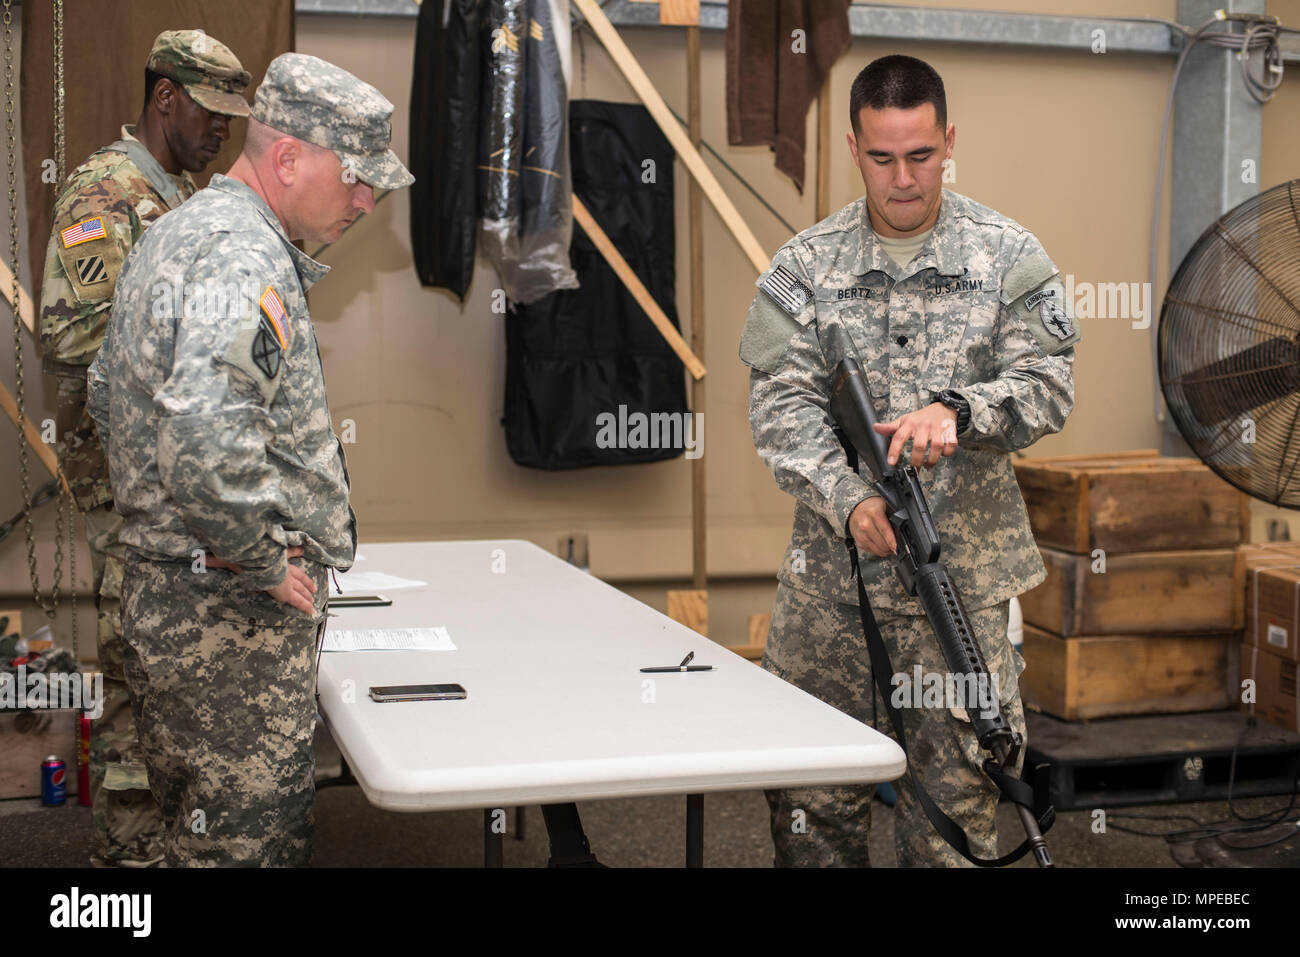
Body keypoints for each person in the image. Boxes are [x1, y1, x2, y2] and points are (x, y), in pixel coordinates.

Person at [740, 54, 1079, 867]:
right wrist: (850, 497)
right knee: (811, 813)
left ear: (949, 141)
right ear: (853, 147)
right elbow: (779, 409)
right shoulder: (803, 268)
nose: (903, 178)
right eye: (883, 157)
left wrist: (963, 411)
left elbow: (1049, 386)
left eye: (922, 156)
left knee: (956, 818)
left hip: (959, 585)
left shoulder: (1008, 256)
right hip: (831, 591)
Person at [86, 52, 414, 867]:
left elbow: (105, 388)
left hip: (175, 597)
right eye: (358, 178)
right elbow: (202, 431)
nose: (367, 201)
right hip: (224, 619)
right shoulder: (244, 255)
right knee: (244, 848)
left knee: (190, 831)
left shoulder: (181, 230)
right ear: (290, 157)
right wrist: (265, 559)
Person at [38, 29, 251, 868]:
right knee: (136, 663)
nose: (222, 130)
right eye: (211, 110)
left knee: (170, 667)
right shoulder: (108, 191)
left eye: (235, 116)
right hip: (124, 476)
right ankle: (126, 857)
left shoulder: (180, 196)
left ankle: (166, 835)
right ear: (165, 97)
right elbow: (69, 335)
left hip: (169, 477)